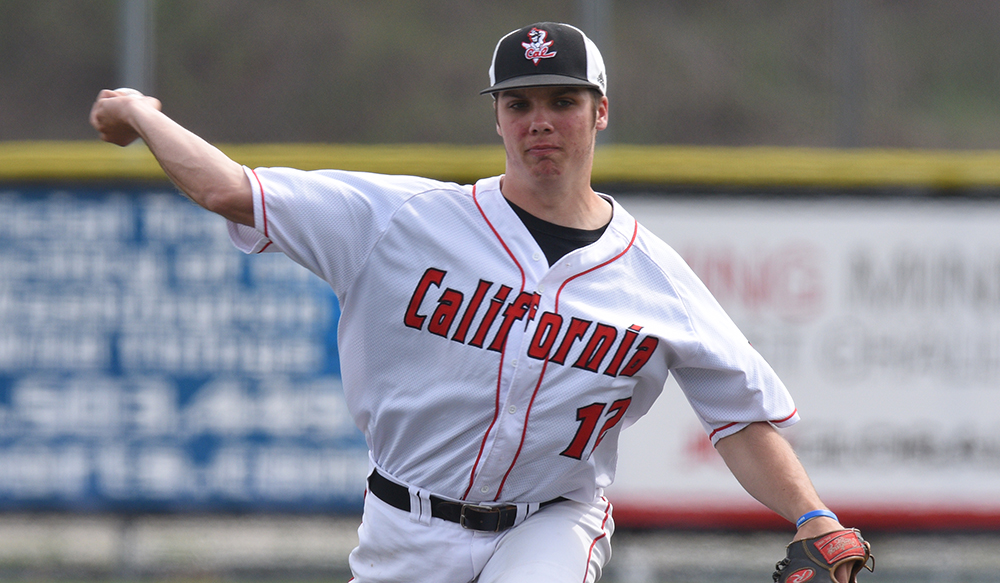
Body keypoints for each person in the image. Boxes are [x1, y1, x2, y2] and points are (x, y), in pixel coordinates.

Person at [91, 21, 865, 583]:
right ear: (495, 114)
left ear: (600, 112)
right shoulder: (400, 221)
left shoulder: (655, 275)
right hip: (403, 522)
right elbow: (231, 189)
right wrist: (142, 114)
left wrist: (813, 515)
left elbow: (737, 414)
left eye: (563, 100)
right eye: (520, 102)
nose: (540, 122)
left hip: (551, 521)